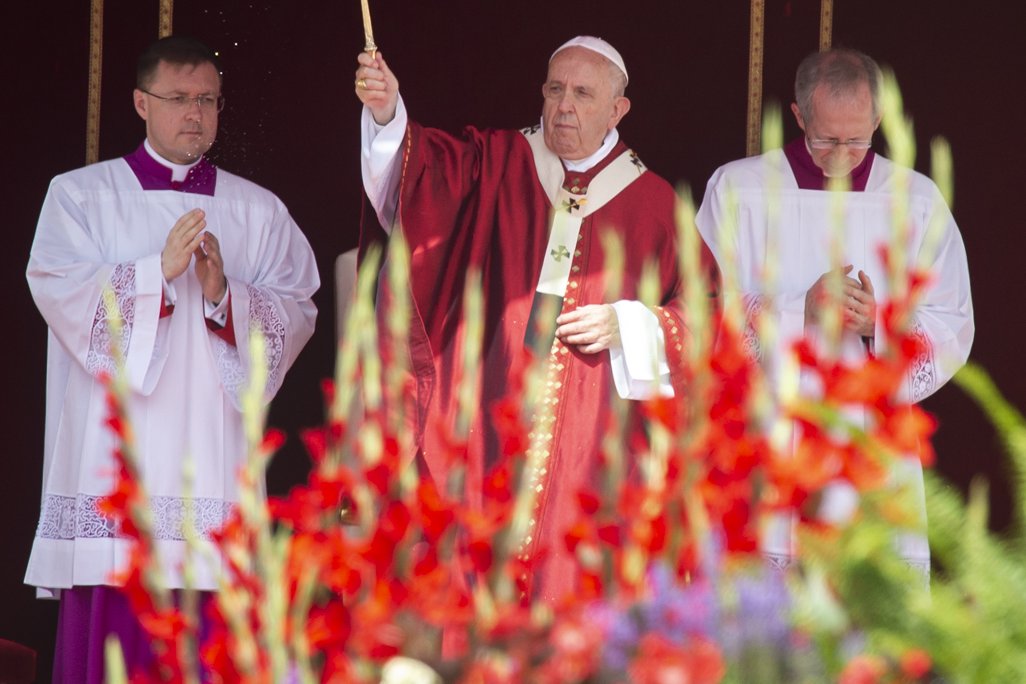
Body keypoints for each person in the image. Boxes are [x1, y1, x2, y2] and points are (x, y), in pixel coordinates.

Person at [354, 36, 719, 602]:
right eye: (554, 90)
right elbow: (420, 177)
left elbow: (706, 313)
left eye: (582, 94)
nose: (564, 106)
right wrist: (386, 113)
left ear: (618, 109)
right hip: (485, 412)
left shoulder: (653, 205)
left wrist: (629, 324)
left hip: (588, 437)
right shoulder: (499, 162)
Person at [26, 35, 319, 682]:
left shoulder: (258, 211)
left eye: (208, 100)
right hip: (113, 466)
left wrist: (223, 296)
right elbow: (59, 291)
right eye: (180, 98)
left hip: (214, 461)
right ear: (141, 102)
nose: (195, 113)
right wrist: (155, 274)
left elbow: (296, 308)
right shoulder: (80, 196)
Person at [695, 48, 973, 573]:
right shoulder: (739, 190)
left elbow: (952, 321)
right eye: (826, 139)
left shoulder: (915, 199)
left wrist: (879, 324)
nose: (843, 154)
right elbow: (701, 309)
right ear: (799, 117)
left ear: (878, 119)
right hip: (767, 439)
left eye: (857, 140)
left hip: (870, 447)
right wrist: (798, 310)